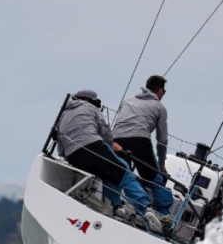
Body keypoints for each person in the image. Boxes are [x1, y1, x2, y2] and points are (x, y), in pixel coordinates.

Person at [56, 90, 165, 233]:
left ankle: (118, 207)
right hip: (92, 147)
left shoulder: (63, 114)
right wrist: (113, 150)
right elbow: (105, 132)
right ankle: (146, 209)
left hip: (73, 156)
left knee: (107, 173)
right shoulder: (91, 108)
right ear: (93, 101)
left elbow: (60, 148)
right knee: (123, 170)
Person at [113, 75, 174, 216]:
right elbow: (162, 140)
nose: (164, 94)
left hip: (116, 139)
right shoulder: (159, 107)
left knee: (122, 174)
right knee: (155, 179)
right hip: (139, 141)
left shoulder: (127, 101)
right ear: (160, 91)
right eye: (164, 91)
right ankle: (162, 215)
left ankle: (117, 206)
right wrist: (161, 163)